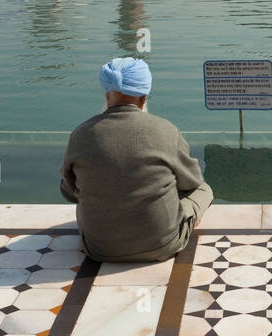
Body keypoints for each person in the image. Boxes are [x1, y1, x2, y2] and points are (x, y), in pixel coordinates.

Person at [60, 57, 213, 263]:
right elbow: (191, 182)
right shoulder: (165, 130)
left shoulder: (81, 134)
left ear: (107, 94)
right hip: (163, 246)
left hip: (99, 249)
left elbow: (69, 192)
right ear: (144, 96)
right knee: (204, 190)